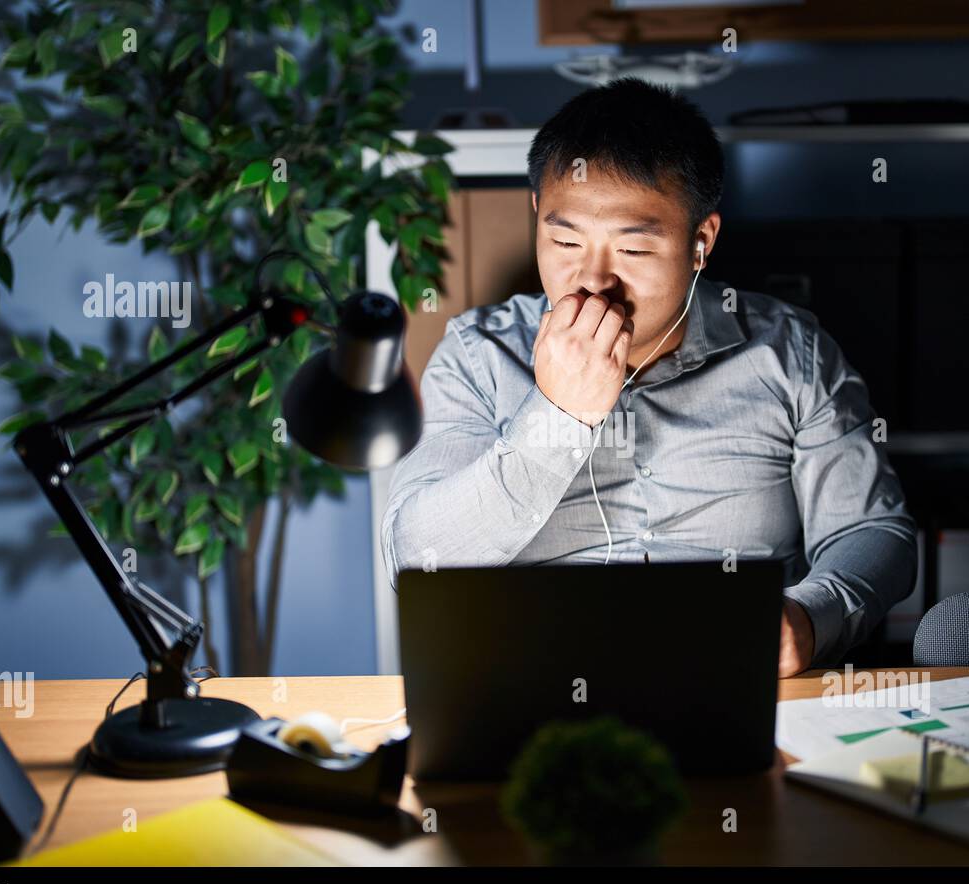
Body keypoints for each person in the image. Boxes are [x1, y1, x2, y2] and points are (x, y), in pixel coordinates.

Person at [381, 78, 917, 675]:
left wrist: (811, 620)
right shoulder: (477, 354)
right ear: (536, 213)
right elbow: (416, 559)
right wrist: (558, 416)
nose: (592, 282)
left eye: (633, 252)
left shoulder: (791, 352)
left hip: (732, 676)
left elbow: (874, 530)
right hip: (532, 678)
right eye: (564, 240)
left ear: (700, 242)